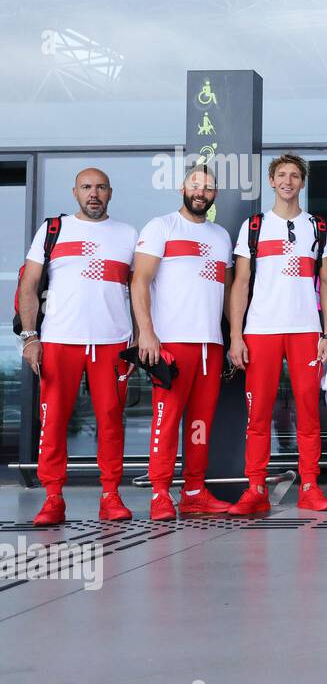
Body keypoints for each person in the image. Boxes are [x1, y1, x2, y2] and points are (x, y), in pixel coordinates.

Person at [20, 168, 136, 525]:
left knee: (111, 422)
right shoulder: (53, 230)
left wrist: (138, 340)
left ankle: (110, 495)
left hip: (112, 343)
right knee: (52, 422)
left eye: (101, 187)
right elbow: (29, 285)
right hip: (59, 340)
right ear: (75, 192)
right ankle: (53, 497)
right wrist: (30, 337)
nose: (94, 193)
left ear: (111, 192)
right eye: (87, 187)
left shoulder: (129, 235)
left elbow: (143, 292)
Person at [227, 153, 327, 514]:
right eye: (282, 175)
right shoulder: (254, 226)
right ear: (271, 182)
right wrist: (236, 336)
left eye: (294, 175)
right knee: (257, 414)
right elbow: (241, 282)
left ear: (302, 183)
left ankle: (310, 487)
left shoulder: (318, 227)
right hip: (261, 330)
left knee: (309, 412)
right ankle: (256, 489)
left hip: (307, 330)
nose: (288, 181)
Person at [131, 165, 234, 520]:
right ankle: (160, 493)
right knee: (167, 419)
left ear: (214, 194)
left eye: (208, 187)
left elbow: (230, 291)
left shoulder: (221, 236)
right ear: (182, 188)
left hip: (211, 344)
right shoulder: (161, 227)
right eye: (195, 185)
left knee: (200, 424)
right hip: (172, 342)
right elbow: (139, 282)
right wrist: (147, 333)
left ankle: (194, 492)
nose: (201, 191)